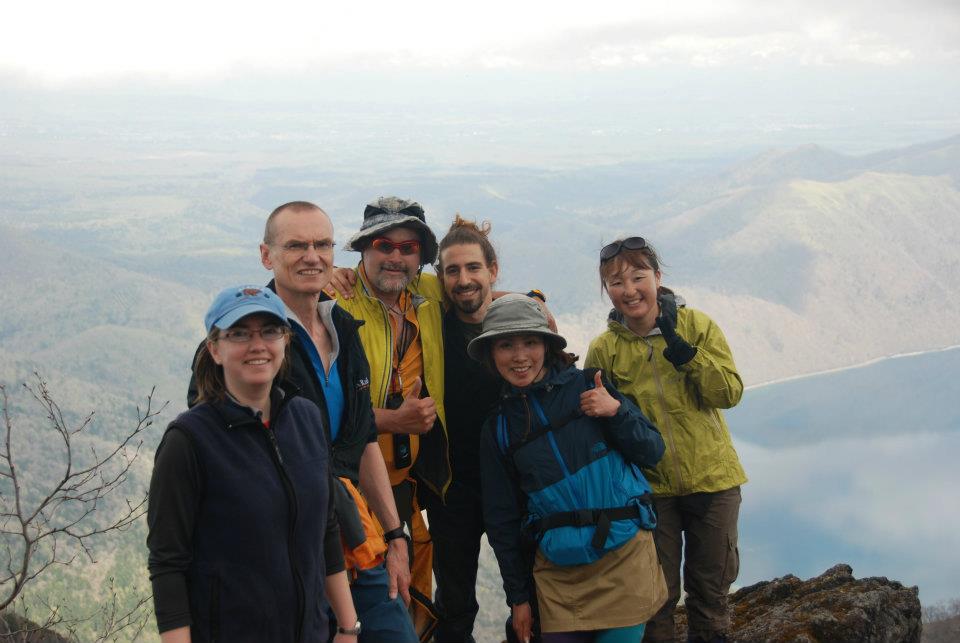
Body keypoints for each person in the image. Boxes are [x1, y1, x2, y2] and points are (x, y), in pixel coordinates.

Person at [186, 202, 418, 642]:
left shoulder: (343, 330)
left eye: (322, 244)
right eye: (295, 245)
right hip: (283, 553)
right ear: (266, 255)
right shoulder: (246, 346)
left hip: (356, 537)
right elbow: (216, 449)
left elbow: (363, 440)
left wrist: (395, 536)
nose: (311, 256)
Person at [147, 285, 358, 642]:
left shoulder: (306, 419)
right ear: (215, 348)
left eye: (270, 331)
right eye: (240, 333)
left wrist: (347, 627)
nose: (257, 345)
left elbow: (325, 529)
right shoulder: (189, 441)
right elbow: (168, 564)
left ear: (285, 341)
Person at [471, 294, 669, 643]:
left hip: (624, 555)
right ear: (491, 353)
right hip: (559, 572)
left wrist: (617, 412)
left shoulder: (588, 386)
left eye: (530, 342)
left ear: (547, 346)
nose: (519, 357)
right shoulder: (499, 428)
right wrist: (518, 598)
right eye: (506, 345)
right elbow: (501, 520)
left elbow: (653, 451)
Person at [584, 237, 747, 643]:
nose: (629, 290)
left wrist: (684, 352)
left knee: (710, 595)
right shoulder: (605, 350)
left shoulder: (697, 326)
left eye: (639, 277)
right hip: (648, 491)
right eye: (616, 282)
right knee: (655, 600)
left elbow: (728, 393)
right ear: (607, 290)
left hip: (713, 481)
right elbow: (595, 423)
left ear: (657, 278)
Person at [337, 196, 452, 640]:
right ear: (363, 249)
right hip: (351, 486)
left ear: (422, 258)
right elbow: (320, 408)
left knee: (412, 598)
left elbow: (475, 288)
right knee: (369, 605)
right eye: (385, 244)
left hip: (402, 484)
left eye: (409, 248)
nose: (396, 256)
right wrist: (393, 420)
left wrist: (534, 299)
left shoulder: (424, 295)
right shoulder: (336, 302)